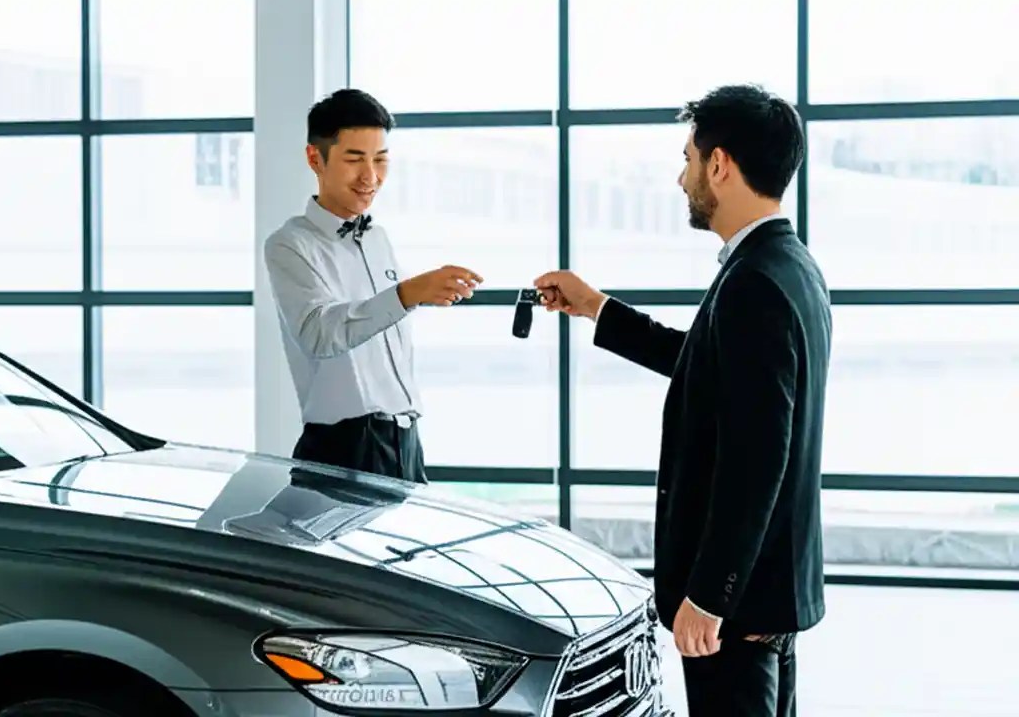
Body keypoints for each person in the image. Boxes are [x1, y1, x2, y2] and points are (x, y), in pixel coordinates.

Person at [534, 84, 831, 716]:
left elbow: (758, 461)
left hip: (738, 606)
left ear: (719, 164)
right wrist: (594, 306)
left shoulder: (753, 283)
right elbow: (703, 365)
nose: (681, 177)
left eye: (690, 158)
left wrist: (712, 593)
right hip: (770, 596)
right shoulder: (789, 265)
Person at [263, 88, 483, 483]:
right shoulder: (289, 244)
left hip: (404, 440)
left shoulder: (378, 239)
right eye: (354, 159)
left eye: (381, 160)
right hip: (343, 446)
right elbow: (319, 333)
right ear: (316, 158)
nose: (371, 176)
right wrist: (407, 294)